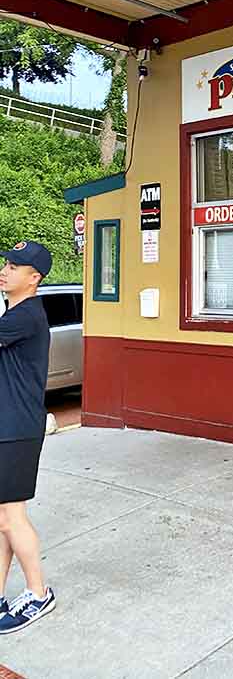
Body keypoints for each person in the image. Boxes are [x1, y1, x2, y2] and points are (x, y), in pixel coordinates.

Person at [0, 241, 55, 633]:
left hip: (16, 429)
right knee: (1, 518)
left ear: (33, 277)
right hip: (6, 425)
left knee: (10, 515)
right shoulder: (15, 313)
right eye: (6, 262)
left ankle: (39, 594)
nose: (5, 269)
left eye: (15, 266)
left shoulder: (27, 315)